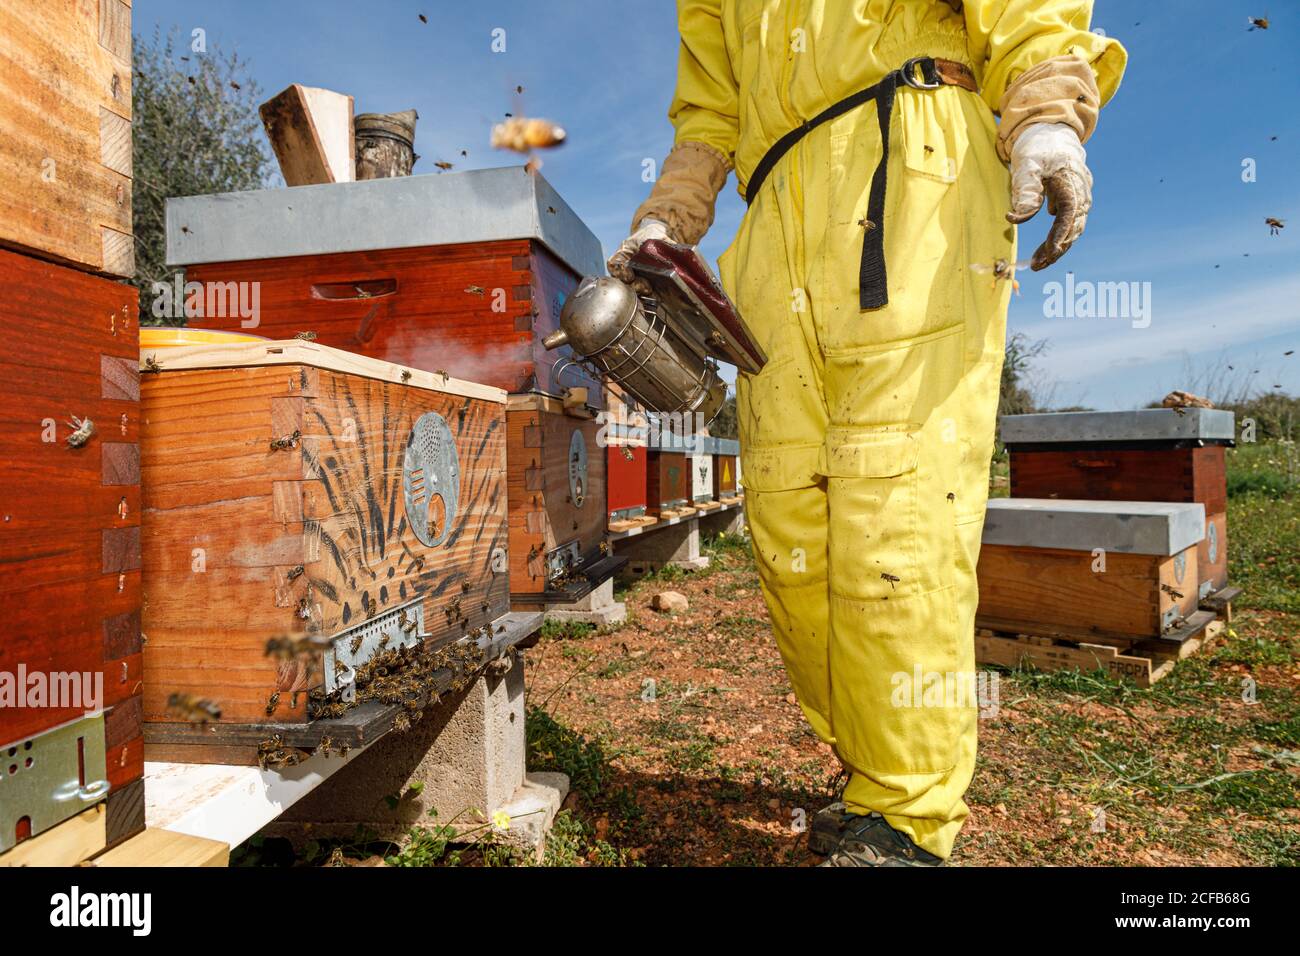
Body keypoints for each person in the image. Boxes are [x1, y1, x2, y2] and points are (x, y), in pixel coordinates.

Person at [608, 0, 1126, 866]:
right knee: (786, 518)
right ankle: (869, 770)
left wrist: (1046, 107)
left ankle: (910, 819)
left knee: (899, 507)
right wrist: (669, 216)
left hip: (912, 168)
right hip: (772, 216)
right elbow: (709, 114)